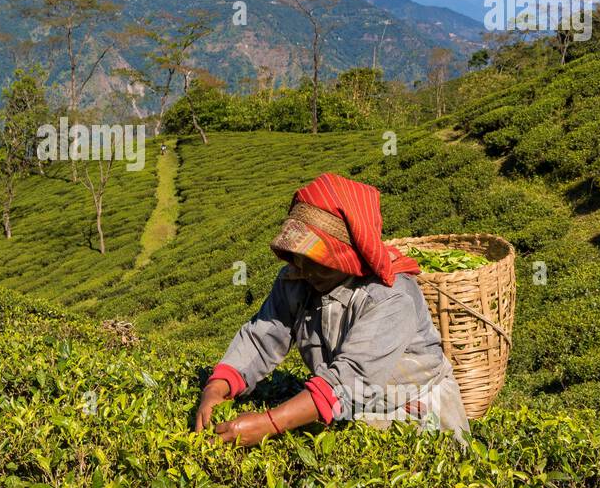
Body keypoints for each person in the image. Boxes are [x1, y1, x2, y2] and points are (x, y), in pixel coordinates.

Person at [194, 172, 469, 447]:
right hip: (345, 410)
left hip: (416, 418)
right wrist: (217, 386)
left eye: (316, 259)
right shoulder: (297, 278)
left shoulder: (390, 297)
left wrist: (269, 423)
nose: (303, 268)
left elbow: (351, 379)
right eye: (298, 257)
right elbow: (262, 337)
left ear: (345, 254)